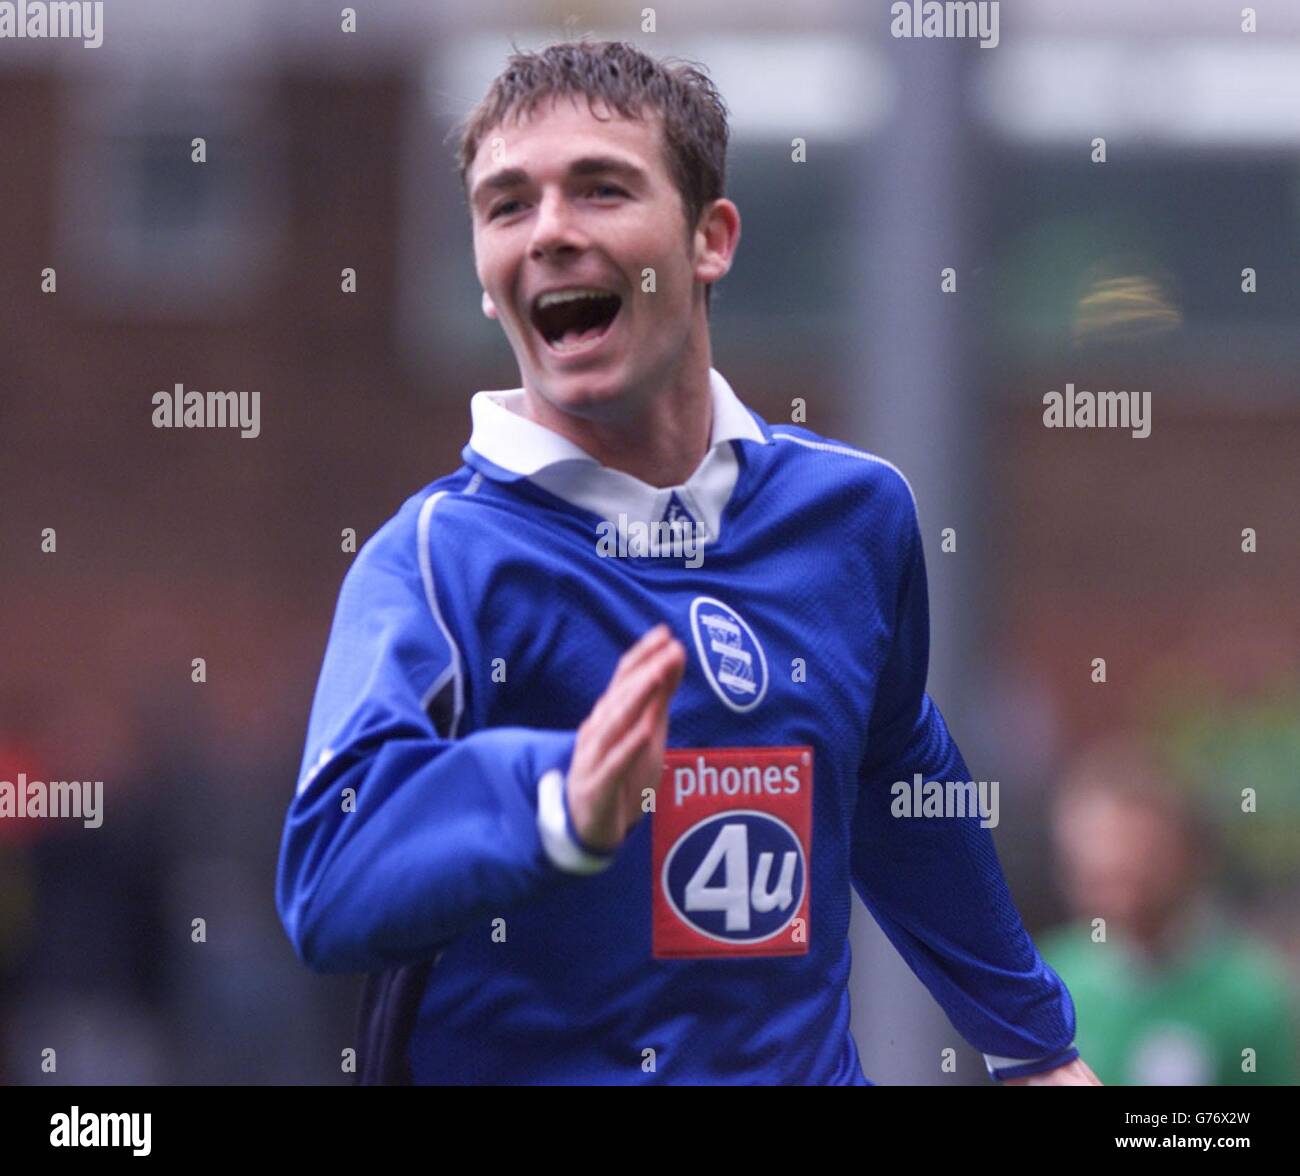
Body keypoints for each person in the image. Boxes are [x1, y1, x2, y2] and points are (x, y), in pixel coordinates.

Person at [275, 39, 1099, 1086]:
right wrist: (556, 803)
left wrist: (1032, 1048)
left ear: (710, 239)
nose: (551, 233)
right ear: (484, 282)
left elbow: (894, 772)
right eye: (506, 205)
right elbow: (328, 882)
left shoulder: (852, 517)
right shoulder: (437, 566)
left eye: (601, 189)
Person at [1039, 735, 1298, 1085]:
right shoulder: (1050, 982)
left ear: (1186, 855)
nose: (1114, 876)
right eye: (1094, 867)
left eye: (1136, 857)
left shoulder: (1251, 996)